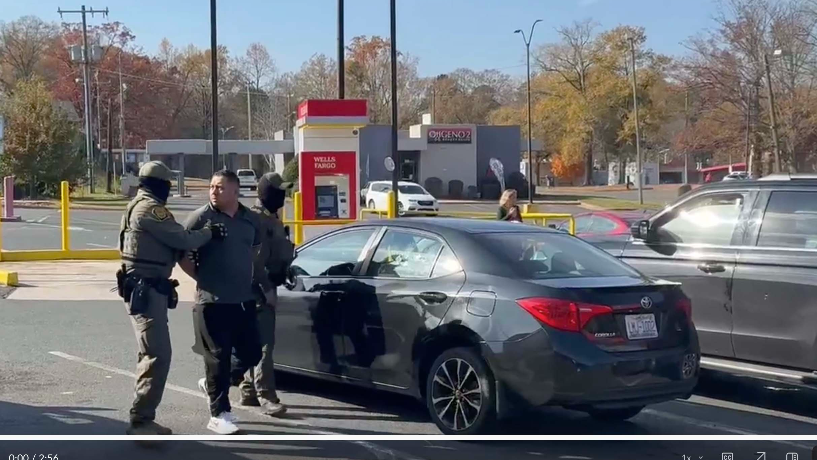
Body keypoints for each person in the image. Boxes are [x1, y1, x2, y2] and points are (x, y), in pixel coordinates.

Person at [117, 160, 226, 436]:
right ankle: (141, 418)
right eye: (167, 184)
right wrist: (209, 233)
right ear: (160, 185)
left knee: (152, 352)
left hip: (146, 287)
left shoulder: (138, 205)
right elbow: (182, 239)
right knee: (157, 354)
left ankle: (141, 416)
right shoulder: (150, 209)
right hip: (146, 289)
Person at [181, 169, 263, 435]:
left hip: (243, 299)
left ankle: (214, 383)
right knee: (218, 357)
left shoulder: (250, 220)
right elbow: (183, 254)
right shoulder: (200, 218)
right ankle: (219, 414)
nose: (213, 192)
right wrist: (203, 278)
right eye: (212, 187)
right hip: (211, 301)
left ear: (235, 191)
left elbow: (253, 251)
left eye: (219, 187)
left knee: (251, 352)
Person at [237, 172, 295, 417]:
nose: (283, 196)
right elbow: (254, 263)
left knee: (256, 342)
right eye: (278, 191)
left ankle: (249, 389)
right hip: (259, 290)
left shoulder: (271, 218)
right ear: (266, 192)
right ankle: (266, 395)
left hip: (268, 285)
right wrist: (267, 291)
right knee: (264, 345)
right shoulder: (257, 220)